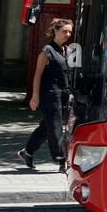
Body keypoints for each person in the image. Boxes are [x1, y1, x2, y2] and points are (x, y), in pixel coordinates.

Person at [18, 18, 73, 171]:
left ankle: (27, 152)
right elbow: (37, 75)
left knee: (46, 126)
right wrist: (34, 96)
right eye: (64, 31)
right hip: (50, 95)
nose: (67, 34)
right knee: (55, 127)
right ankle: (62, 160)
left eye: (69, 31)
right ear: (55, 31)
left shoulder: (65, 50)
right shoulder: (47, 51)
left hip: (62, 95)